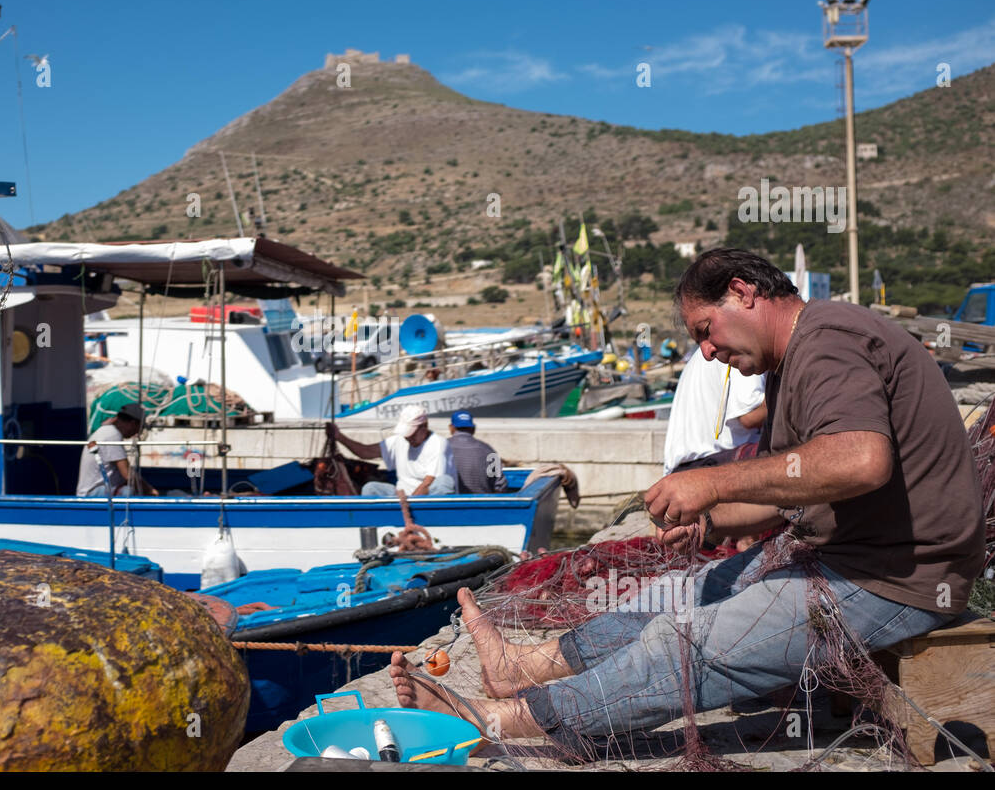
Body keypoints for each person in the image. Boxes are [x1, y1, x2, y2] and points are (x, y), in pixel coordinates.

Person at [389, 248, 984, 747]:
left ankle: (496, 720)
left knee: (683, 644)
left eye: (705, 330)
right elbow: (792, 494)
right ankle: (521, 668)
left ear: (744, 292)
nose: (705, 352)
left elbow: (859, 459)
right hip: (848, 559)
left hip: (899, 579)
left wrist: (713, 481)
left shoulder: (828, 340)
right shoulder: (792, 361)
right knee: (674, 595)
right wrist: (711, 517)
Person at [662, 345, 767, 475]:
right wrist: (785, 391)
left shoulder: (712, 351)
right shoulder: (742, 348)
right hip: (705, 466)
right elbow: (750, 418)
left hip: (688, 466)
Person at [325, 405, 453, 496]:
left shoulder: (438, 443)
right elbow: (365, 452)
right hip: (401, 496)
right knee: (371, 488)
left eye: (412, 434)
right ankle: (371, 525)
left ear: (424, 427)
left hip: (425, 500)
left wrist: (410, 506)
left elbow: (428, 483)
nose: (409, 438)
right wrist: (339, 437)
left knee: (443, 483)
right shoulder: (399, 440)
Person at [76, 404, 159, 497]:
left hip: (101, 488)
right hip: (92, 493)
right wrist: (150, 490)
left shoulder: (108, 431)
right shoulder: (112, 435)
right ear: (133, 423)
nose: (137, 433)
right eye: (139, 428)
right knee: (128, 492)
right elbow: (127, 474)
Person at [446, 410, 508, 493]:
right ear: (473, 428)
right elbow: (500, 485)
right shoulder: (488, 450)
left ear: (451, 427)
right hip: (483, 503)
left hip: (449, 504)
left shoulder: (441, 448)